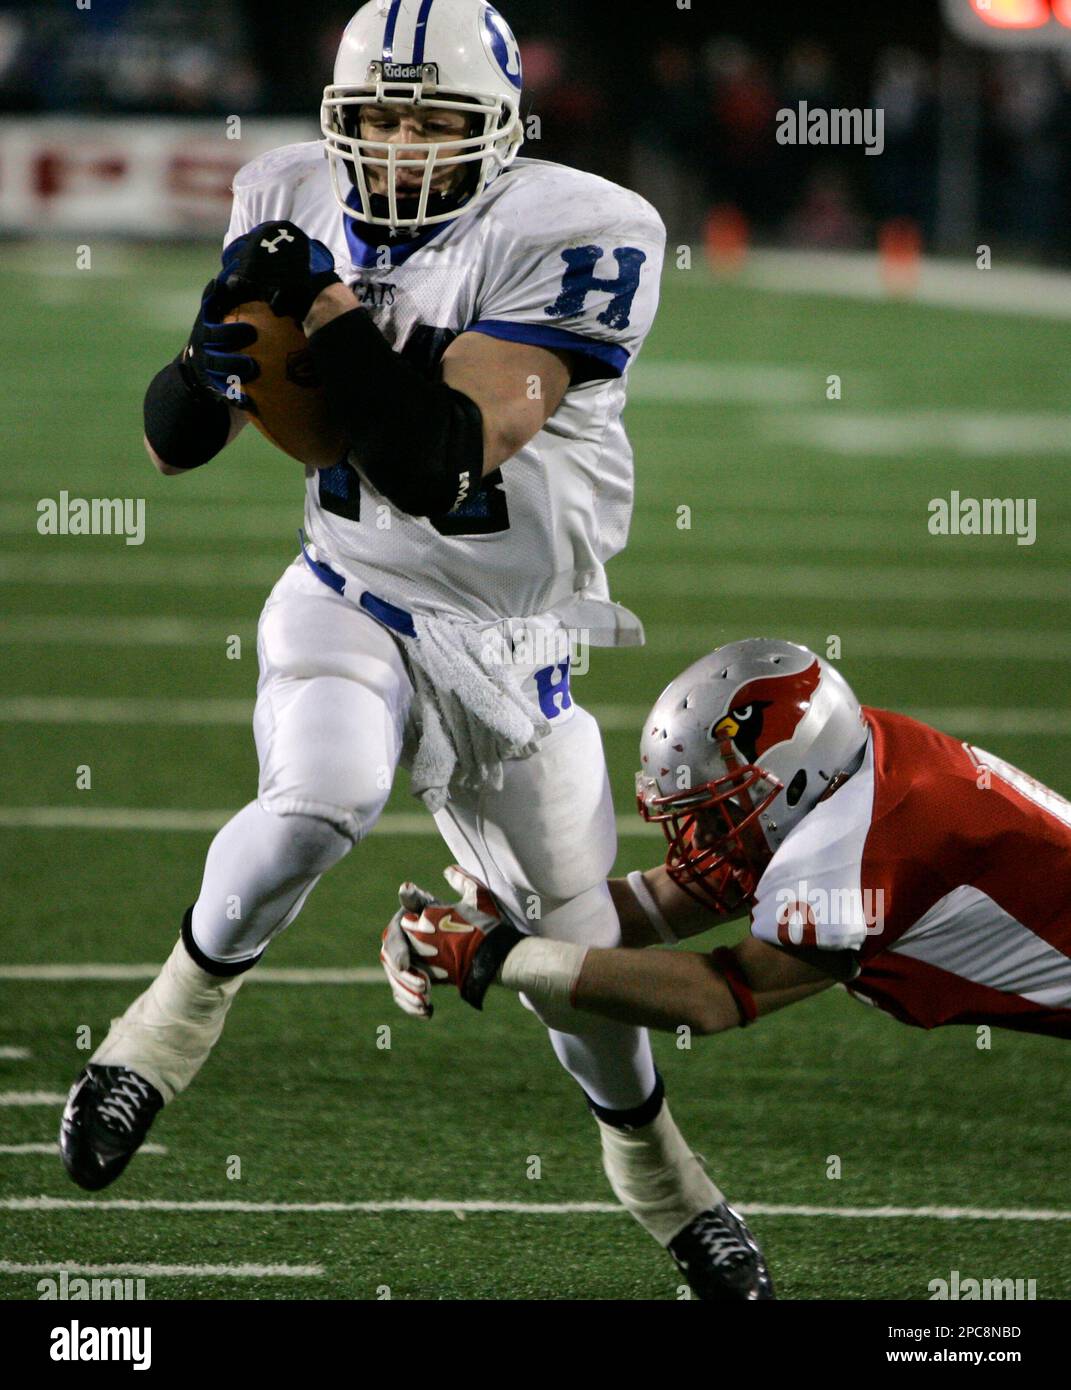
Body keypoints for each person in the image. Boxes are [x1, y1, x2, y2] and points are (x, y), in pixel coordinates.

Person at [59, 0, 772, 1304]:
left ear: (498, 131)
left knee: (575, 972)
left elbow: (438, 459)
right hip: (348, 590)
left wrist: (329, 316)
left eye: (430, 121)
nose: (394, 146)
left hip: (513, 643)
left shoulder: (583, 227)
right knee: (317, 796)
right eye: (374, 118)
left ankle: (664, 1180)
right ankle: (154, 1039)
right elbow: (174, 440)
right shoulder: (284, 185)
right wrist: (208, 350)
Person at [383, 637, 1071, 1060]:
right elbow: (664, 904)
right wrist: (518, 905)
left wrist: (498, 955)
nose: (704, 837)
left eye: (718, 812)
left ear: (793, 775)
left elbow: (716, 997)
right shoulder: (847, 762)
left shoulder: (861, 841)